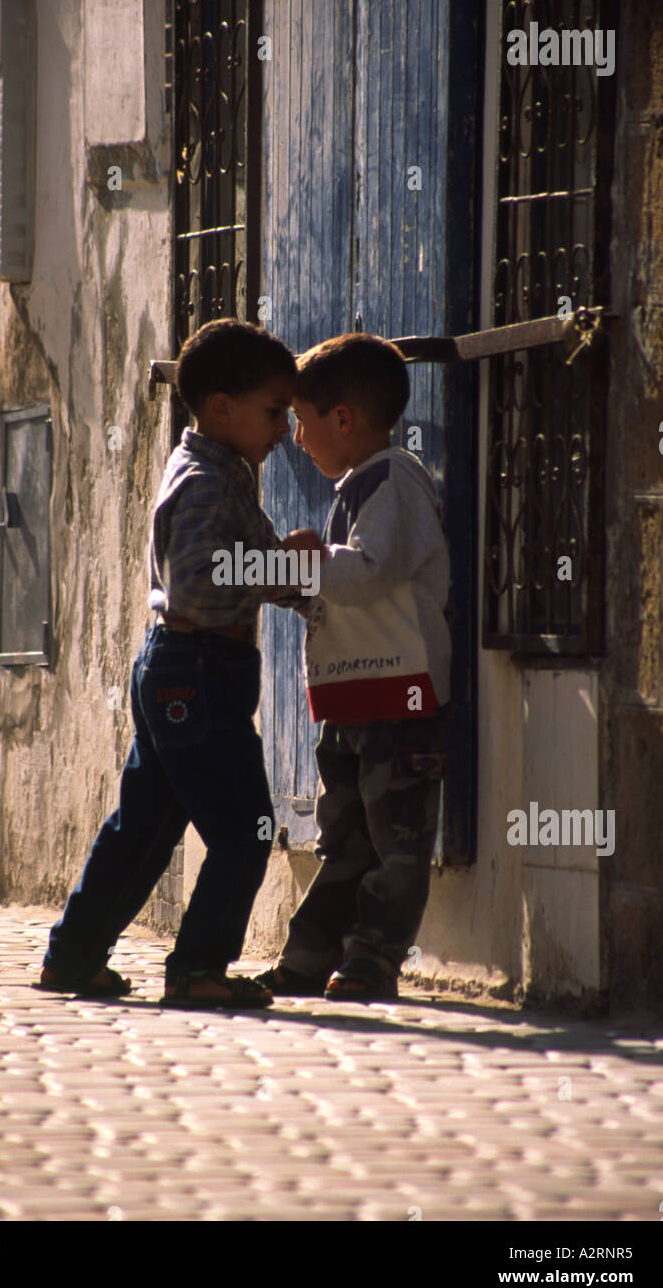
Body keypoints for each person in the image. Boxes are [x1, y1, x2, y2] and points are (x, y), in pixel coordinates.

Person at [38, 319, 323, 1009]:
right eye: (273, 411)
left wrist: (286, 572)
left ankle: (73, 958)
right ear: (220, 408)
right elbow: (199, 583)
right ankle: (198, 969)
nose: (284, 427)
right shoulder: (204, 480)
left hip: (179, 669)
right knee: (245, 826)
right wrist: (280, 566)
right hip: (194, 671)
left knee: (143, 826)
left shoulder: (218, 468)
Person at [257, 333, 452, 1002]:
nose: (296, 438)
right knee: (344, 840)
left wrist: (312, 563)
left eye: (304, 423)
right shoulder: (356, 487)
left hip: (400, 696)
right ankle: (310, 958)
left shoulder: (395, 480)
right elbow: (342, 590)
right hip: (350, 696)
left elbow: (369, 572)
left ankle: (372, 960)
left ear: (343, 419)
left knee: (395, 840)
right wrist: (291, 582)